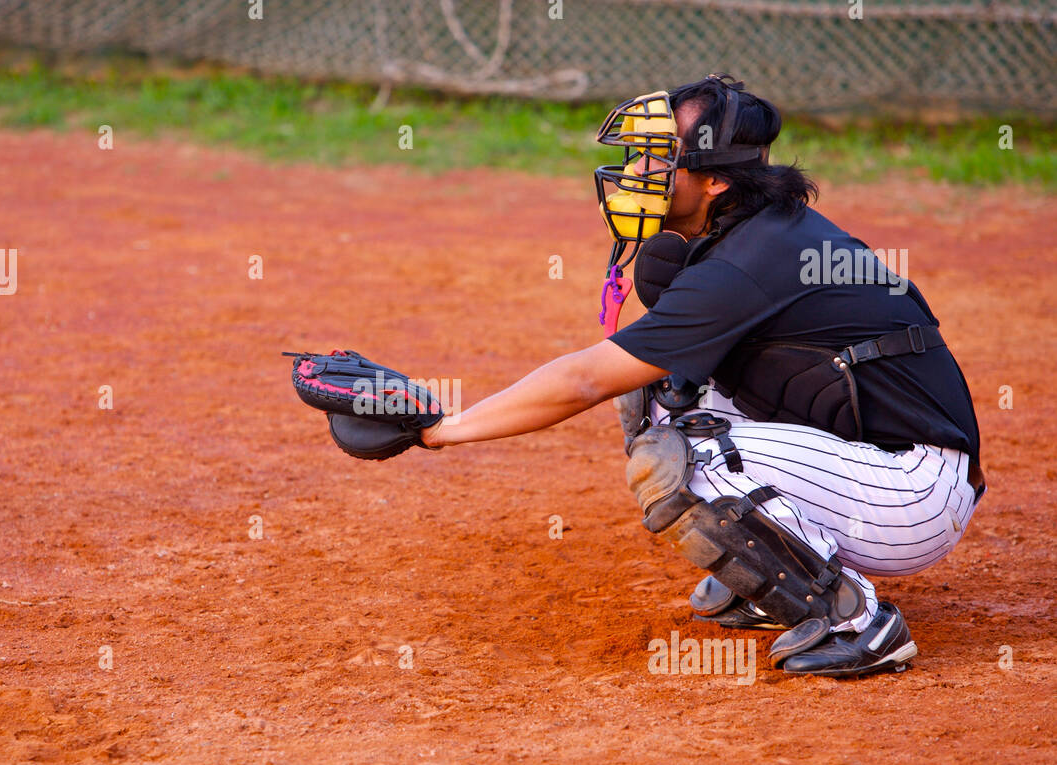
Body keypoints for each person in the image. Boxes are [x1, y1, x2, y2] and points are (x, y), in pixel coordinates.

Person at [417, 73, 985, 678]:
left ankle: (855, 618)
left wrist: (440, 429)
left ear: (715, 180)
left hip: (910, 494)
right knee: (663, 397)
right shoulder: (752, 233)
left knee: (684, 459)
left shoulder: (747, 265)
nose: (636, 171)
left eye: (659, 157)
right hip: (875, 461)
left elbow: (586, 378)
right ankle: (779, 582)